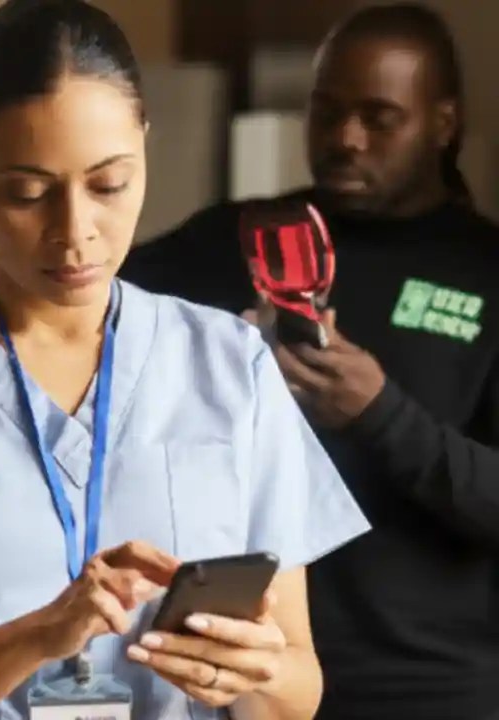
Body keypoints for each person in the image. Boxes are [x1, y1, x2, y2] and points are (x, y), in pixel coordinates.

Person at [0, 2, 370, 719]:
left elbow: (298, 688)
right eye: (27, 193)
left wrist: (254, 672)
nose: (75, 231)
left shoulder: (232, 366)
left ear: (144, 146)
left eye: (109, 185)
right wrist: (36, 638)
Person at [119, 4, 499, 719]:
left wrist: (380, 415)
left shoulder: (485, 269)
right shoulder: (236, 240)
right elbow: (75, 310)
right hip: (263, 681)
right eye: (326, 111)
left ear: (443, 123)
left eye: (379, 118)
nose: (345, 138)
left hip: (436, 689)